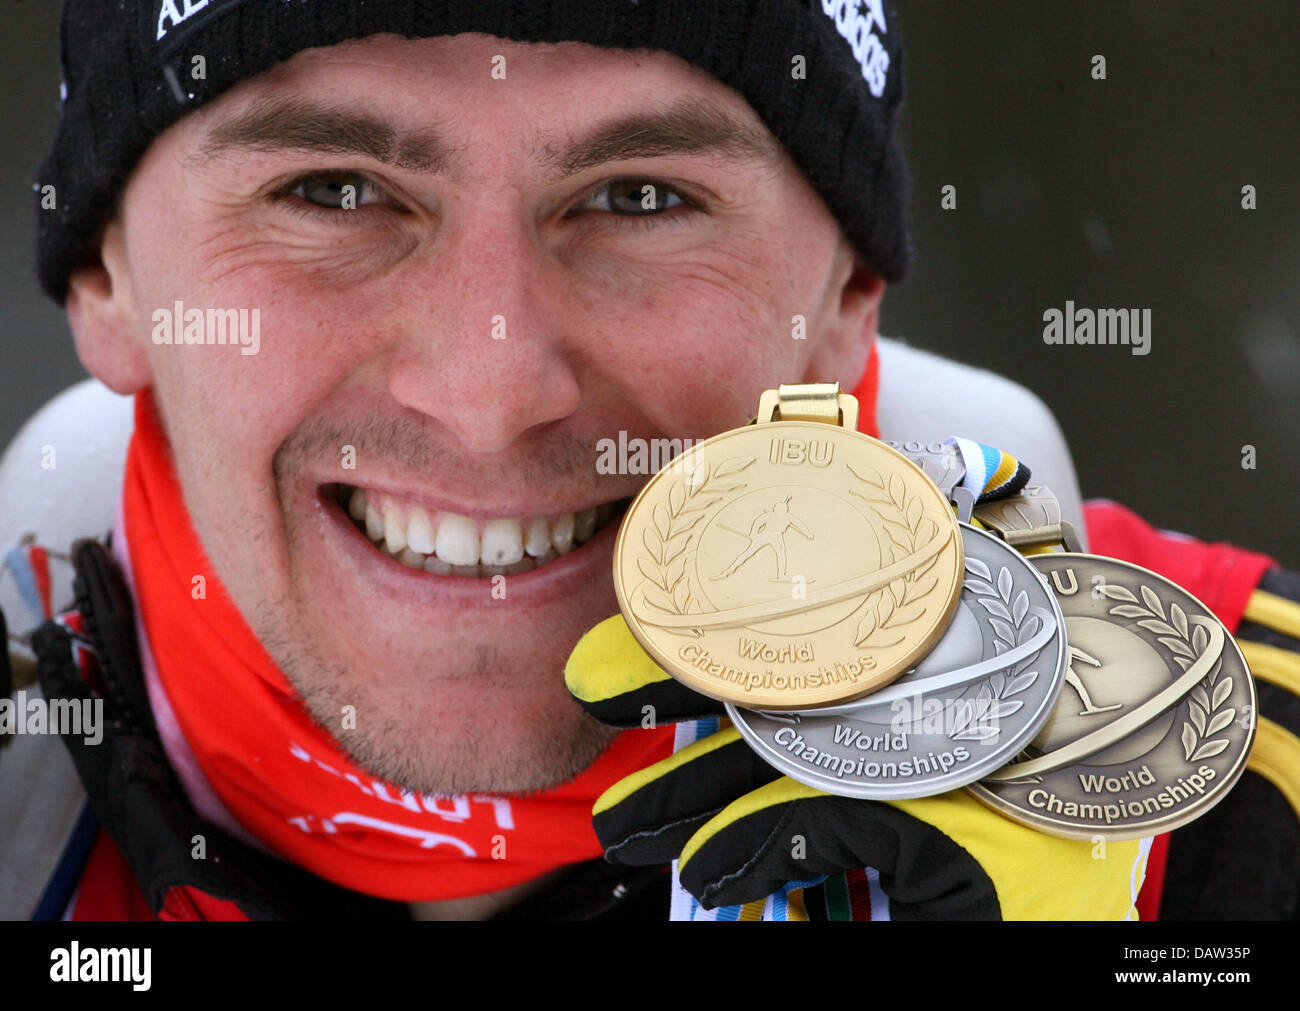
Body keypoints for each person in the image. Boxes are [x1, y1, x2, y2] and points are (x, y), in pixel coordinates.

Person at [2, 1, 1297, 921]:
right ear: (108, 273)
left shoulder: (1241, 769)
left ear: (851, 291)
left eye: (640, 199)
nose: (491, 396)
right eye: (334, 192)